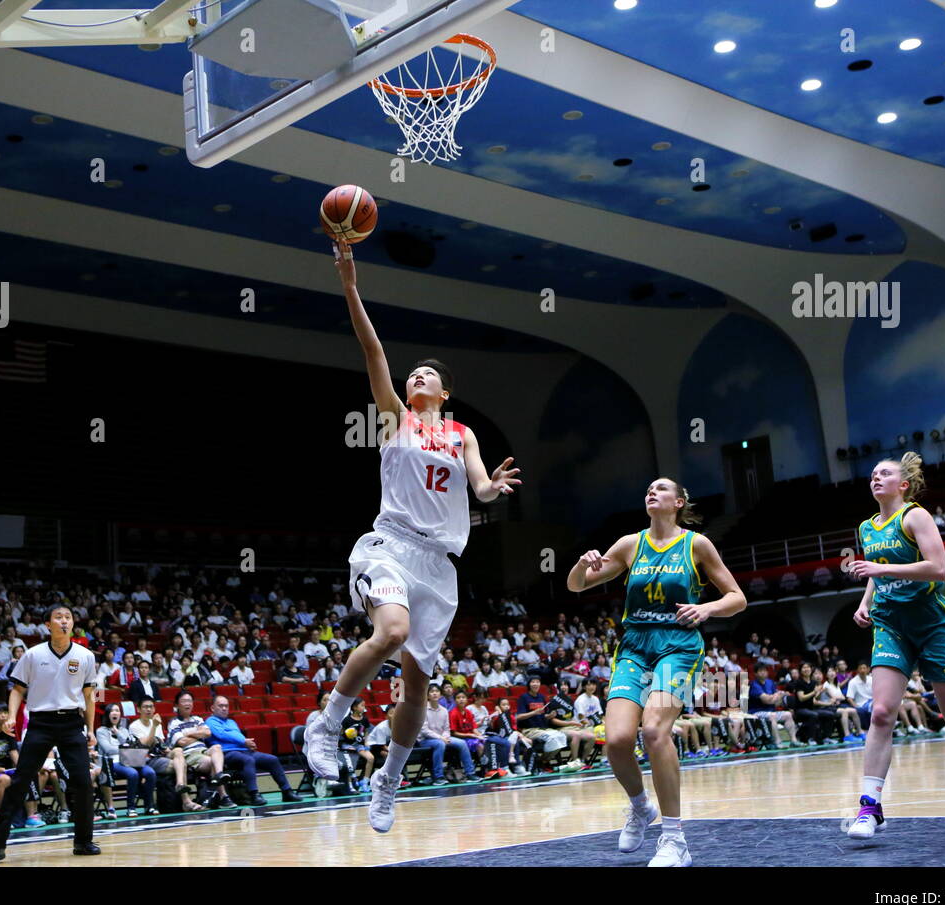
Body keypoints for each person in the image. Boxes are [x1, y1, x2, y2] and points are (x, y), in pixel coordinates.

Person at [303, 238, 521, 835]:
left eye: (428, 374)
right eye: (413, 372)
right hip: (390, 543)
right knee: (390, 631)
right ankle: (327, 725)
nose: (416, 375)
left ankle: (388, 780)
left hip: (440, 564)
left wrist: (492, 488)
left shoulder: (461, 434)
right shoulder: (396, 418)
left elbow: (476, 490)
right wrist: (350, 283)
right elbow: (372, 349)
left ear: (444, 393)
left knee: (418, 690)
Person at [566, 476, 747, 866]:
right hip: (634, 647)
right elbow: (576, 586)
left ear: (679, 501)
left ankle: (675, 839)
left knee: (653, 730)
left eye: (661, 488)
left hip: (678, 647)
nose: (652, 491)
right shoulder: (631, 544)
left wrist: (707, 609)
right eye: (648, 488)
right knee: (615, 740)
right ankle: (639, 806)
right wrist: (582, 566)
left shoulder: (696, 544)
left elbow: (737, 598)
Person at [846, 453, 945, 839]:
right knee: (881, 712)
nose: (875, 478)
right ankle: (869, 808)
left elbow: (938, 568)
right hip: (890, 624)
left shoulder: (915, 516)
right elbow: (874, 569)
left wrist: (881, 570)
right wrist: (866, 602)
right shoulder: (867, 527)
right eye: (873, 474)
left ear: (903, 485)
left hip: (932, 623)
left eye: (885, 473)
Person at [0, 606, 99, 864]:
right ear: (48, 624)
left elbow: (89, 697)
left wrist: (90, 730)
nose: (64, 621)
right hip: (40, 723)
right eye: (59, 617)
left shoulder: (86, 655)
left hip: (71, 722)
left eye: (68, 617)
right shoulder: (33, 655)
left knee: (83, 782)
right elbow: (16, 690)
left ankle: (83, 841)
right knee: (21, 782)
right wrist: (13, 716)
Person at [205, 696, 301, 806]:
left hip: (243, 751)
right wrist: (244, 740)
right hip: (226, 753)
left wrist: (247, 744)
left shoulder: (231, 722)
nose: (224, 708)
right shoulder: (210, 721)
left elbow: (236, 736)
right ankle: (254, 794)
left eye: (226, 706)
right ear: (212, 708)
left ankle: (287, 791)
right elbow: (222, 734)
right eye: (220, 706)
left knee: (272, 759)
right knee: (248, 760)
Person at [167, 692, 232, 810]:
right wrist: (198, 734)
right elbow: (181, 742)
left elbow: (207, 733)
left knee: (217, 747)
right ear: (177, 705)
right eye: (184, 701)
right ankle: (223, 796)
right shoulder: (174, 722)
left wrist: (188, 733)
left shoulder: (197, 719)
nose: (187, 704)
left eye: (190, 701)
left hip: (203, 750)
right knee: (212, 761)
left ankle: (219, 775)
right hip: (189, 754)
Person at [97, 703, 157, 817]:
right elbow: (108, 749)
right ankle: (131, 808)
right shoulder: (101, 731)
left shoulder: (124, 730)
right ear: (107, 714)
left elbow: (130, 744)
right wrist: (124, 748)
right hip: (113, 762)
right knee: (132, 773)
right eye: (112, 711)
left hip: (131, 759)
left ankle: (149, 806)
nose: (115, 713)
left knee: (150, 772)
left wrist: (118, 733)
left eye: (117, 711)